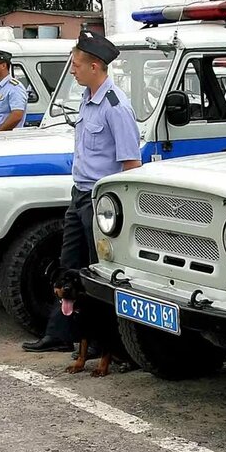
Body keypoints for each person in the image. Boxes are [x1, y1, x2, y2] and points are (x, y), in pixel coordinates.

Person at [23, 29, 141, 353]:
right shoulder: (88, 100)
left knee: (98, 273)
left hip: (100, 203)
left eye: (76, 64)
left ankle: (109, 346)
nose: (72, 69)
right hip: (79, 196)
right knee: (67, 268)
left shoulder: (115, 106)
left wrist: (119, 212)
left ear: (95, 66)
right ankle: (60, 335)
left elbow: (131, 163)